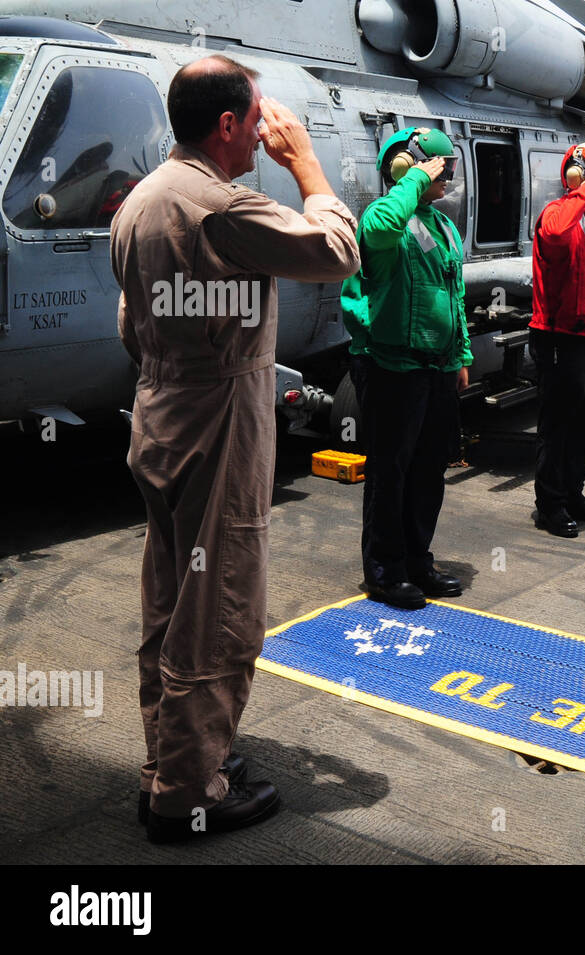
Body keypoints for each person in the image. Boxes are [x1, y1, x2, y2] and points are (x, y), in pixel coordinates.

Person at [110, 56, 360, 842]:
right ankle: (187, 793)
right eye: (257, 121)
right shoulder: (220, 208)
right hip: (219, 424)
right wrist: (308, 165)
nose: (265, 133)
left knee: (170, 603)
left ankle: (177, 760)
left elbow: (129, 321)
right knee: (218, 612)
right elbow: (335, 250)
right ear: (226, 125)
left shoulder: (142, 201)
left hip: (158, 413)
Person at [341, 127, 470, 608]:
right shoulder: (382, 215)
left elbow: (453, 292)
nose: (446, 178)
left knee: (428, 470)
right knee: (391, 473)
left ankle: (418, 559)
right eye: (440, 169)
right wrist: (412, 181)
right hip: (391, 367)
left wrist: (460, 357)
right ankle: (384, 570)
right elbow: (379, 232)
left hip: (435, 367)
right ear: (404, 167)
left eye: (448, 169)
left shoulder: (441, 225)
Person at [529, 142, 585, 537]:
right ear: (578, 176)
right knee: (559, 424)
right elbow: (554, 231)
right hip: (560, 338)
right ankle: (550, 504)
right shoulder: (558, 213)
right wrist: (582, 188)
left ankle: (572, 492)